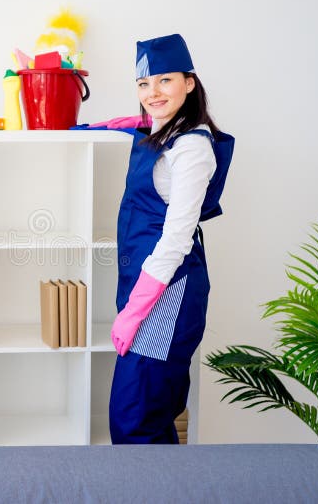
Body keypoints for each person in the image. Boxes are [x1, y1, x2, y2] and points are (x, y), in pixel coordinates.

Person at [108, 34, 234, 444]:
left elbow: (176, 239)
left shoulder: (193, 149)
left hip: (167, 294)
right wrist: (126, 124)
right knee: (150, 415)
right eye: (144, 84)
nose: (152, 93)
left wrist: (133, 312)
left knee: (135, 420)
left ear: (189, 83)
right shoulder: (163, 134)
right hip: (148, 287)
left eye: (164, 81)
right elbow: (147, 126)